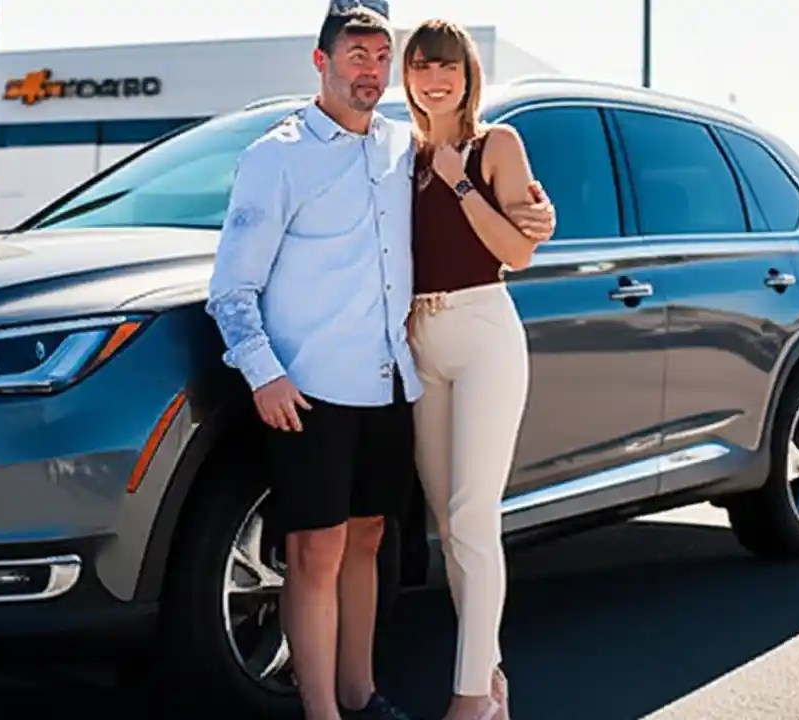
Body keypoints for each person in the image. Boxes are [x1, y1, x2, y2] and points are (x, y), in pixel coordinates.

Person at [206, 5, 554, 719]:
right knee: (318, 551)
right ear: (322, 61)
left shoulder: (401, 148)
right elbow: (231, 286)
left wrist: (532, 212)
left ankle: (372, 696)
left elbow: (508, 231)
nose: (370, 70)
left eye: (379, 56)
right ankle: (327, 711)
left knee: (377, 537)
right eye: (355, 55)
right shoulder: (280, 155)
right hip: (310, 384)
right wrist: (263, 372)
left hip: (392, 378)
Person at [401, 19, 554, 720]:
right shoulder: (402, 157)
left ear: (468, 76)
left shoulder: (496, 144)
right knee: (447, 524)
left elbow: (517, 253)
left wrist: (461, 184)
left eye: (448, 67)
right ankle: (489, 681)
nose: (435, 80)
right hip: (420, 340)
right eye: (422, 67)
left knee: (472, 516)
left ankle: (468, 697)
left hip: (484, 331)